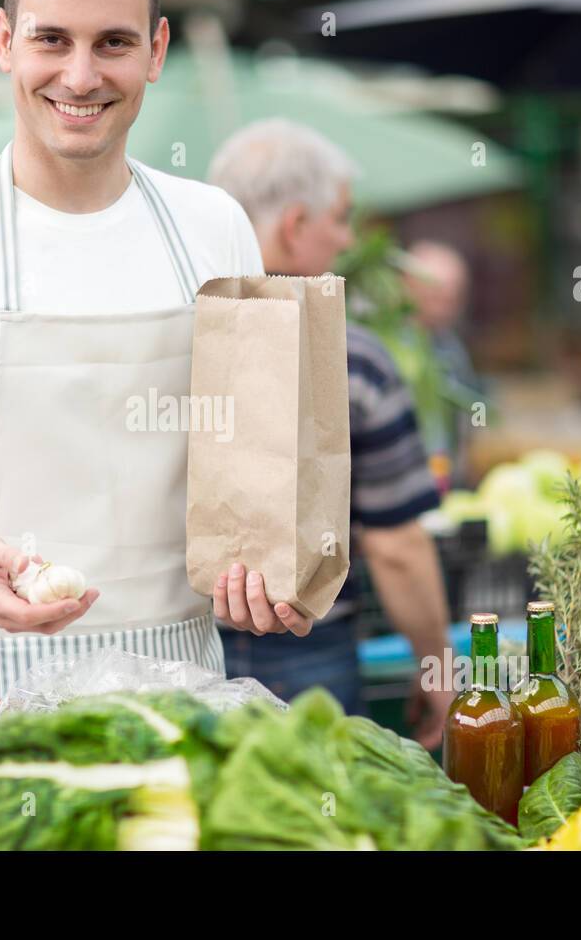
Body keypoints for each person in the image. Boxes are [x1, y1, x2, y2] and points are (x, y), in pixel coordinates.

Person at [0, 0, 314, 733]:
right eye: (52, 41)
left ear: (158, 51)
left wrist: (276, 565)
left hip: (187, 715)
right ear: (5, 41)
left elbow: (261, 459)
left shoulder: (217, 229)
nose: (80, 77)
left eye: (113, 42)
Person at [207, 118, 454, 747]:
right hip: (305, 654)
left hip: (176, 652)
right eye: (340, 218)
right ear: (294, 227)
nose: (347, 237)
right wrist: (438, 664)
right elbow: (396, 546)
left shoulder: (166, 339)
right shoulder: (353, 357)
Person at [401, 240, 482, 492]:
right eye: (435, 295)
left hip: (445, 481)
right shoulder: (391, 346)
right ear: (407, 287)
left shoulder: (451, 347)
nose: (444, 307)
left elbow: (472, 408)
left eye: (453, 298)